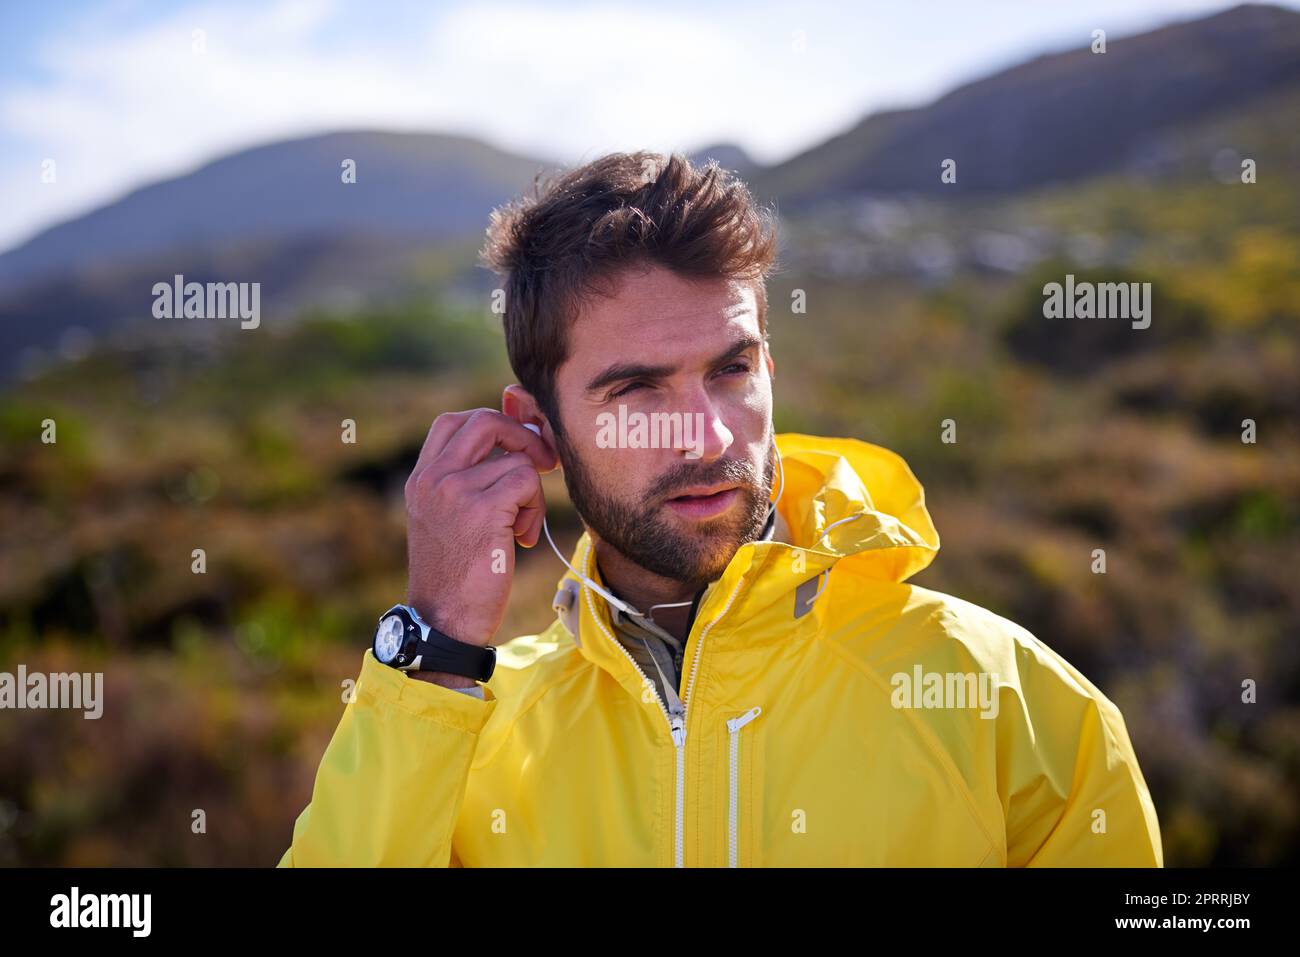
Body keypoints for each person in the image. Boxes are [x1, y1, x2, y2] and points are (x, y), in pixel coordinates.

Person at [278, 152, 1162, 867]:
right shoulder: (463, 734)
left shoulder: (1014, 701)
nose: (704, 435)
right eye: (635, 390)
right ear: (537, 427)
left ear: (769, 372)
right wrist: (434, 647)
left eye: (730, 370)